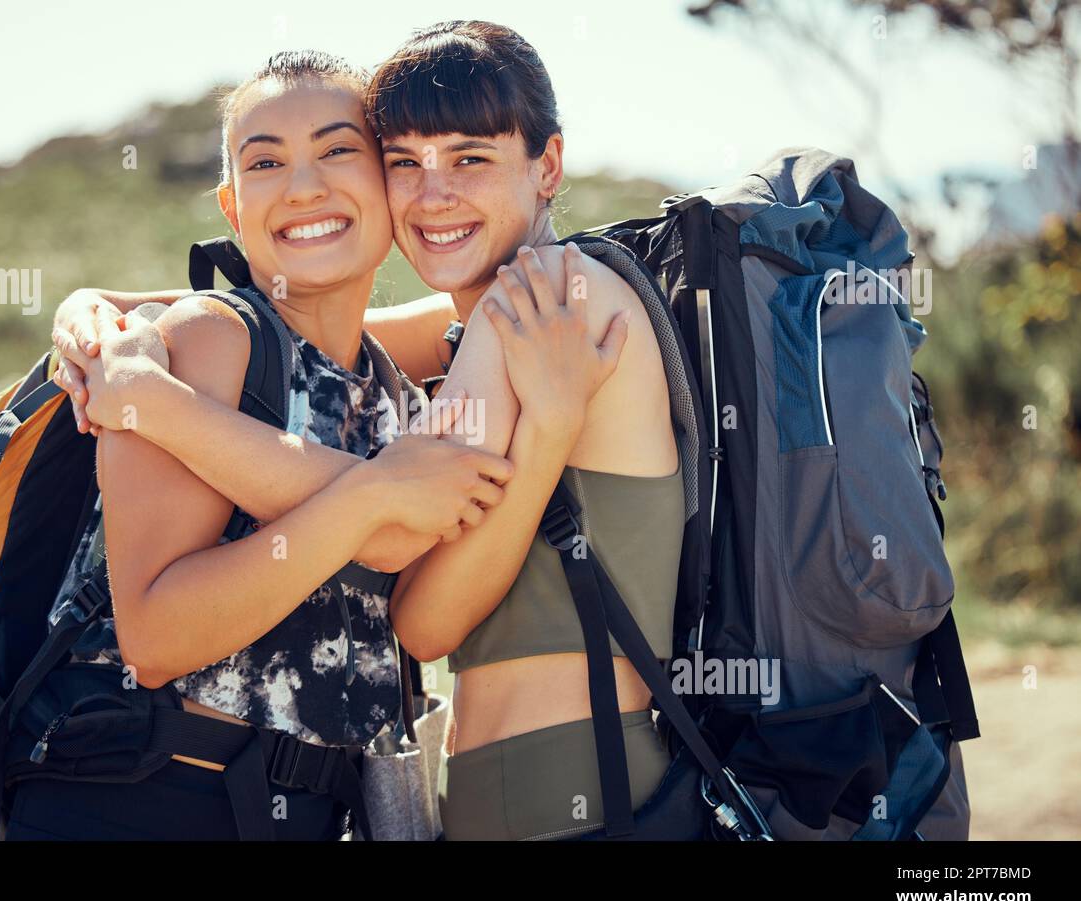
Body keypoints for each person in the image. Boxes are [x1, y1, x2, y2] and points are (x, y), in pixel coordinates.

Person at [54, 21, 680, 841]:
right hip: (559, 772)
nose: (433, 195)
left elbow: (419, 606)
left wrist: (162, 407)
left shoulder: (529, 305)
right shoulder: (474, 318)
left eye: (470, 159)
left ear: (548, 165)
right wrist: (94, 311)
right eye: (405, 164)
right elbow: (306, 311)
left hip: (550, 785)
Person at [4, 49, 515, 841]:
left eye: (338, 149)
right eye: (265, 161)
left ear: (390, 182)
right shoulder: (207, 343)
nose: (303, 185)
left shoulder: (392, 385)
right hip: (142, 802)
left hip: (308, 815)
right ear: (233, 208)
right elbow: (156, 639)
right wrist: (371, 497)